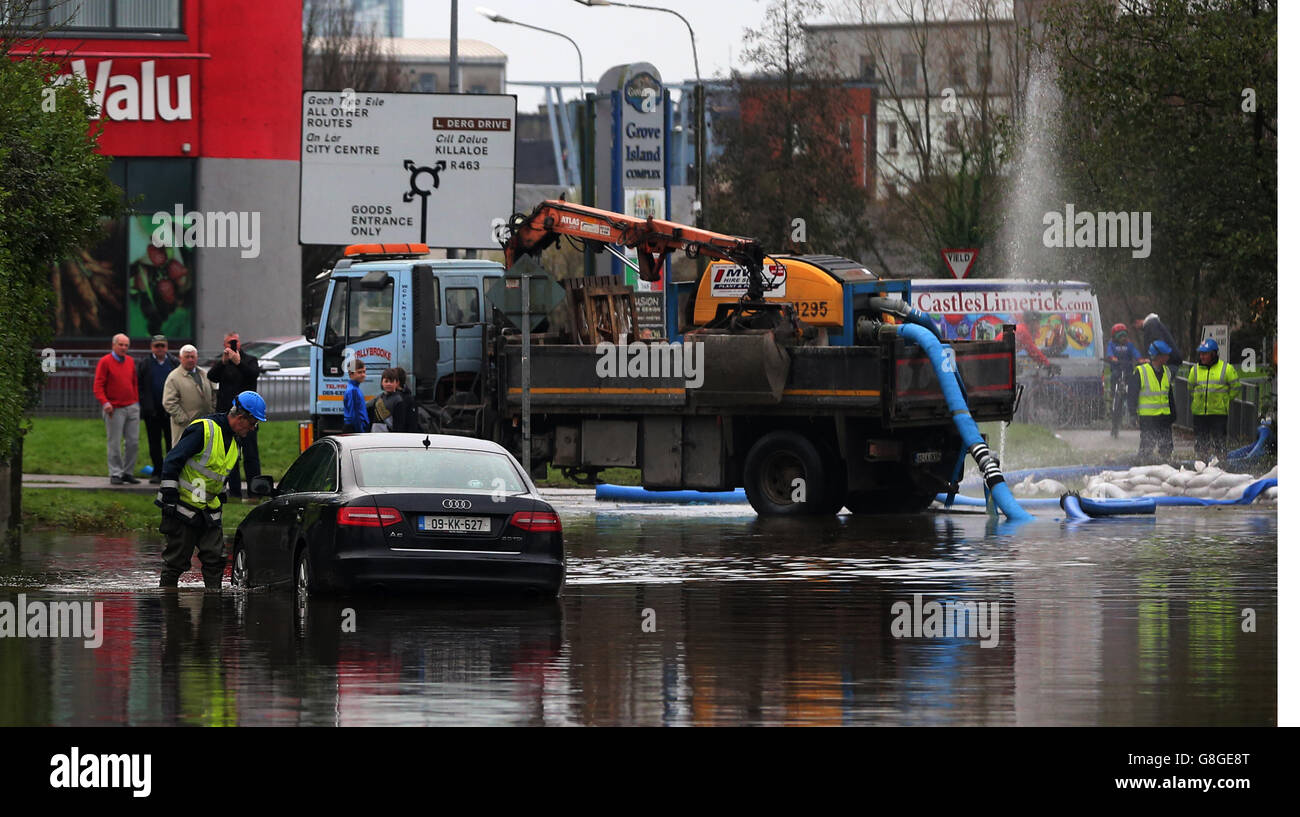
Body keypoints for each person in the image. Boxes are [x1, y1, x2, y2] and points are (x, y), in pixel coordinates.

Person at [156, 391, 267, 590]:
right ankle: (169, 607)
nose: (253, 429)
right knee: (176, 562)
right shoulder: (204, 429)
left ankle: (213, 607)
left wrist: (221, 493)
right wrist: (170, 498)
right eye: (253, 424)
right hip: (182, 508)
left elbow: (215, 472)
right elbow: (172, 461)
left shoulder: (235, 442)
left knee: (215, 560)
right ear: (241, 418)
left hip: (209, 510)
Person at [207, 331, 260, 498]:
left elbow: (253, 375)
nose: (233, 344)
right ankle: (234, 492)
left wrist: (239, 363)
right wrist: (223, 363)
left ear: (240, 342)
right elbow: (211, 376)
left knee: (251, 455)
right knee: (231, 456)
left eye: (235, 341)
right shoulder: (223, 362)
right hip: (228, 416)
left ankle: (255, 492)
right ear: (224, 345)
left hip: (248, 415)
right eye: (229, 342)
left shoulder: (250, 360)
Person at [92, 333, 141, 485]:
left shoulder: (130, 361)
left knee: (133, 442)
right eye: (121, 344)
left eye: (126, 345)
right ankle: (115, 473)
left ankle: (127, 472)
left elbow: (133, 382)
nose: (124, 348)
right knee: (114, 443)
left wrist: (136, 402)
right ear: (113, 345)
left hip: (131, 406)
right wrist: (105, 402)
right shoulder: (105, 362)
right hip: (114, 408)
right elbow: (98, 385)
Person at [1188, 337, 1241, 461]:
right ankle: (1202, 464)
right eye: (1201, 353)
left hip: (1218, 413)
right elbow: (1190, 387)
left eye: (1205, 354)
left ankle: (1221, 464)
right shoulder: (1195, 370)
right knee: (1201, 443)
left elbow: (1236, 387)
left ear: (1213, 354)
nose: (1202, 356)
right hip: (1200, 413)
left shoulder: (1226, 369)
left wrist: (1225, 400)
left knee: (1220, 442)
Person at [136, 334, 179, 483]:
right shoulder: (145, 364)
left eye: (162, 346)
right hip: (151, 411)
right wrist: (146, 406)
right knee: (154, 443)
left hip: (170, 411)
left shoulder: (174, 362)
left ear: (167, 347)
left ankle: (170, 471)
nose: (160, 349)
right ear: (152, 348)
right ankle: (157, 471)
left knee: (171, 443)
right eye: (157, 346)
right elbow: (140, 387)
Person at [162, 344, 215, 444]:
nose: (190, 359)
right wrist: (184, 420)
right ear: (180, 358)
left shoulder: (204, 374)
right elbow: (169, 402)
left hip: (206, 423)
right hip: (185, 427)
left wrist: (212, 411)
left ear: (196, 358)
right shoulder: (174, 377)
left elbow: (214, 394)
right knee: (185, 453)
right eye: (187, 357)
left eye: (193, 357)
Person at [1135, 341, 1176, 462]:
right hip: (1148, 417)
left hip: (1164, 417)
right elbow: (1133, 393)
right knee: (1147, 447)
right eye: (1166, 355)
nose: (1168, 357)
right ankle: (1142, 466)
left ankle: (1165, 465)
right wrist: (1132, 413)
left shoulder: (1167, 371)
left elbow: (1169, 394)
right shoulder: (1141, 371)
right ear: (1158, 356)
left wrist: (1173, 412)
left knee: (1167, 447)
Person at [1105, 323, 1143, 423]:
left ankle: (1132, 413)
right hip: (1117, 369)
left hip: (1128, 370)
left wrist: (1139, 359)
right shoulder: (1111, 344)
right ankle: (1112, 395)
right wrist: (1112, 357)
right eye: (1120, 335)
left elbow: (1135, 352)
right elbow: (1109, 352)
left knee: (1132, 388)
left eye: (1124, 335)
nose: (1123, 338)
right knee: (1113, 376)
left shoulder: (1129, 345)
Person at [371, 367, 418, 432]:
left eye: (391, 381)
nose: (388, 384)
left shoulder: (399, 400)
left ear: (397, 383)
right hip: (376, 435)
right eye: (386, 381)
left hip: (390, 437)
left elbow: (399, 425)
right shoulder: (379, 398)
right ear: (382, 382)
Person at [343, 358, 369, 433]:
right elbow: (355, 415)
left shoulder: (354, 388)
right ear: (351, 374)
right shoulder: (353, 390)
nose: (363, 375)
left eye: (364, 372)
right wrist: (360, 432)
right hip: (354, 429)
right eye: (359, 372)